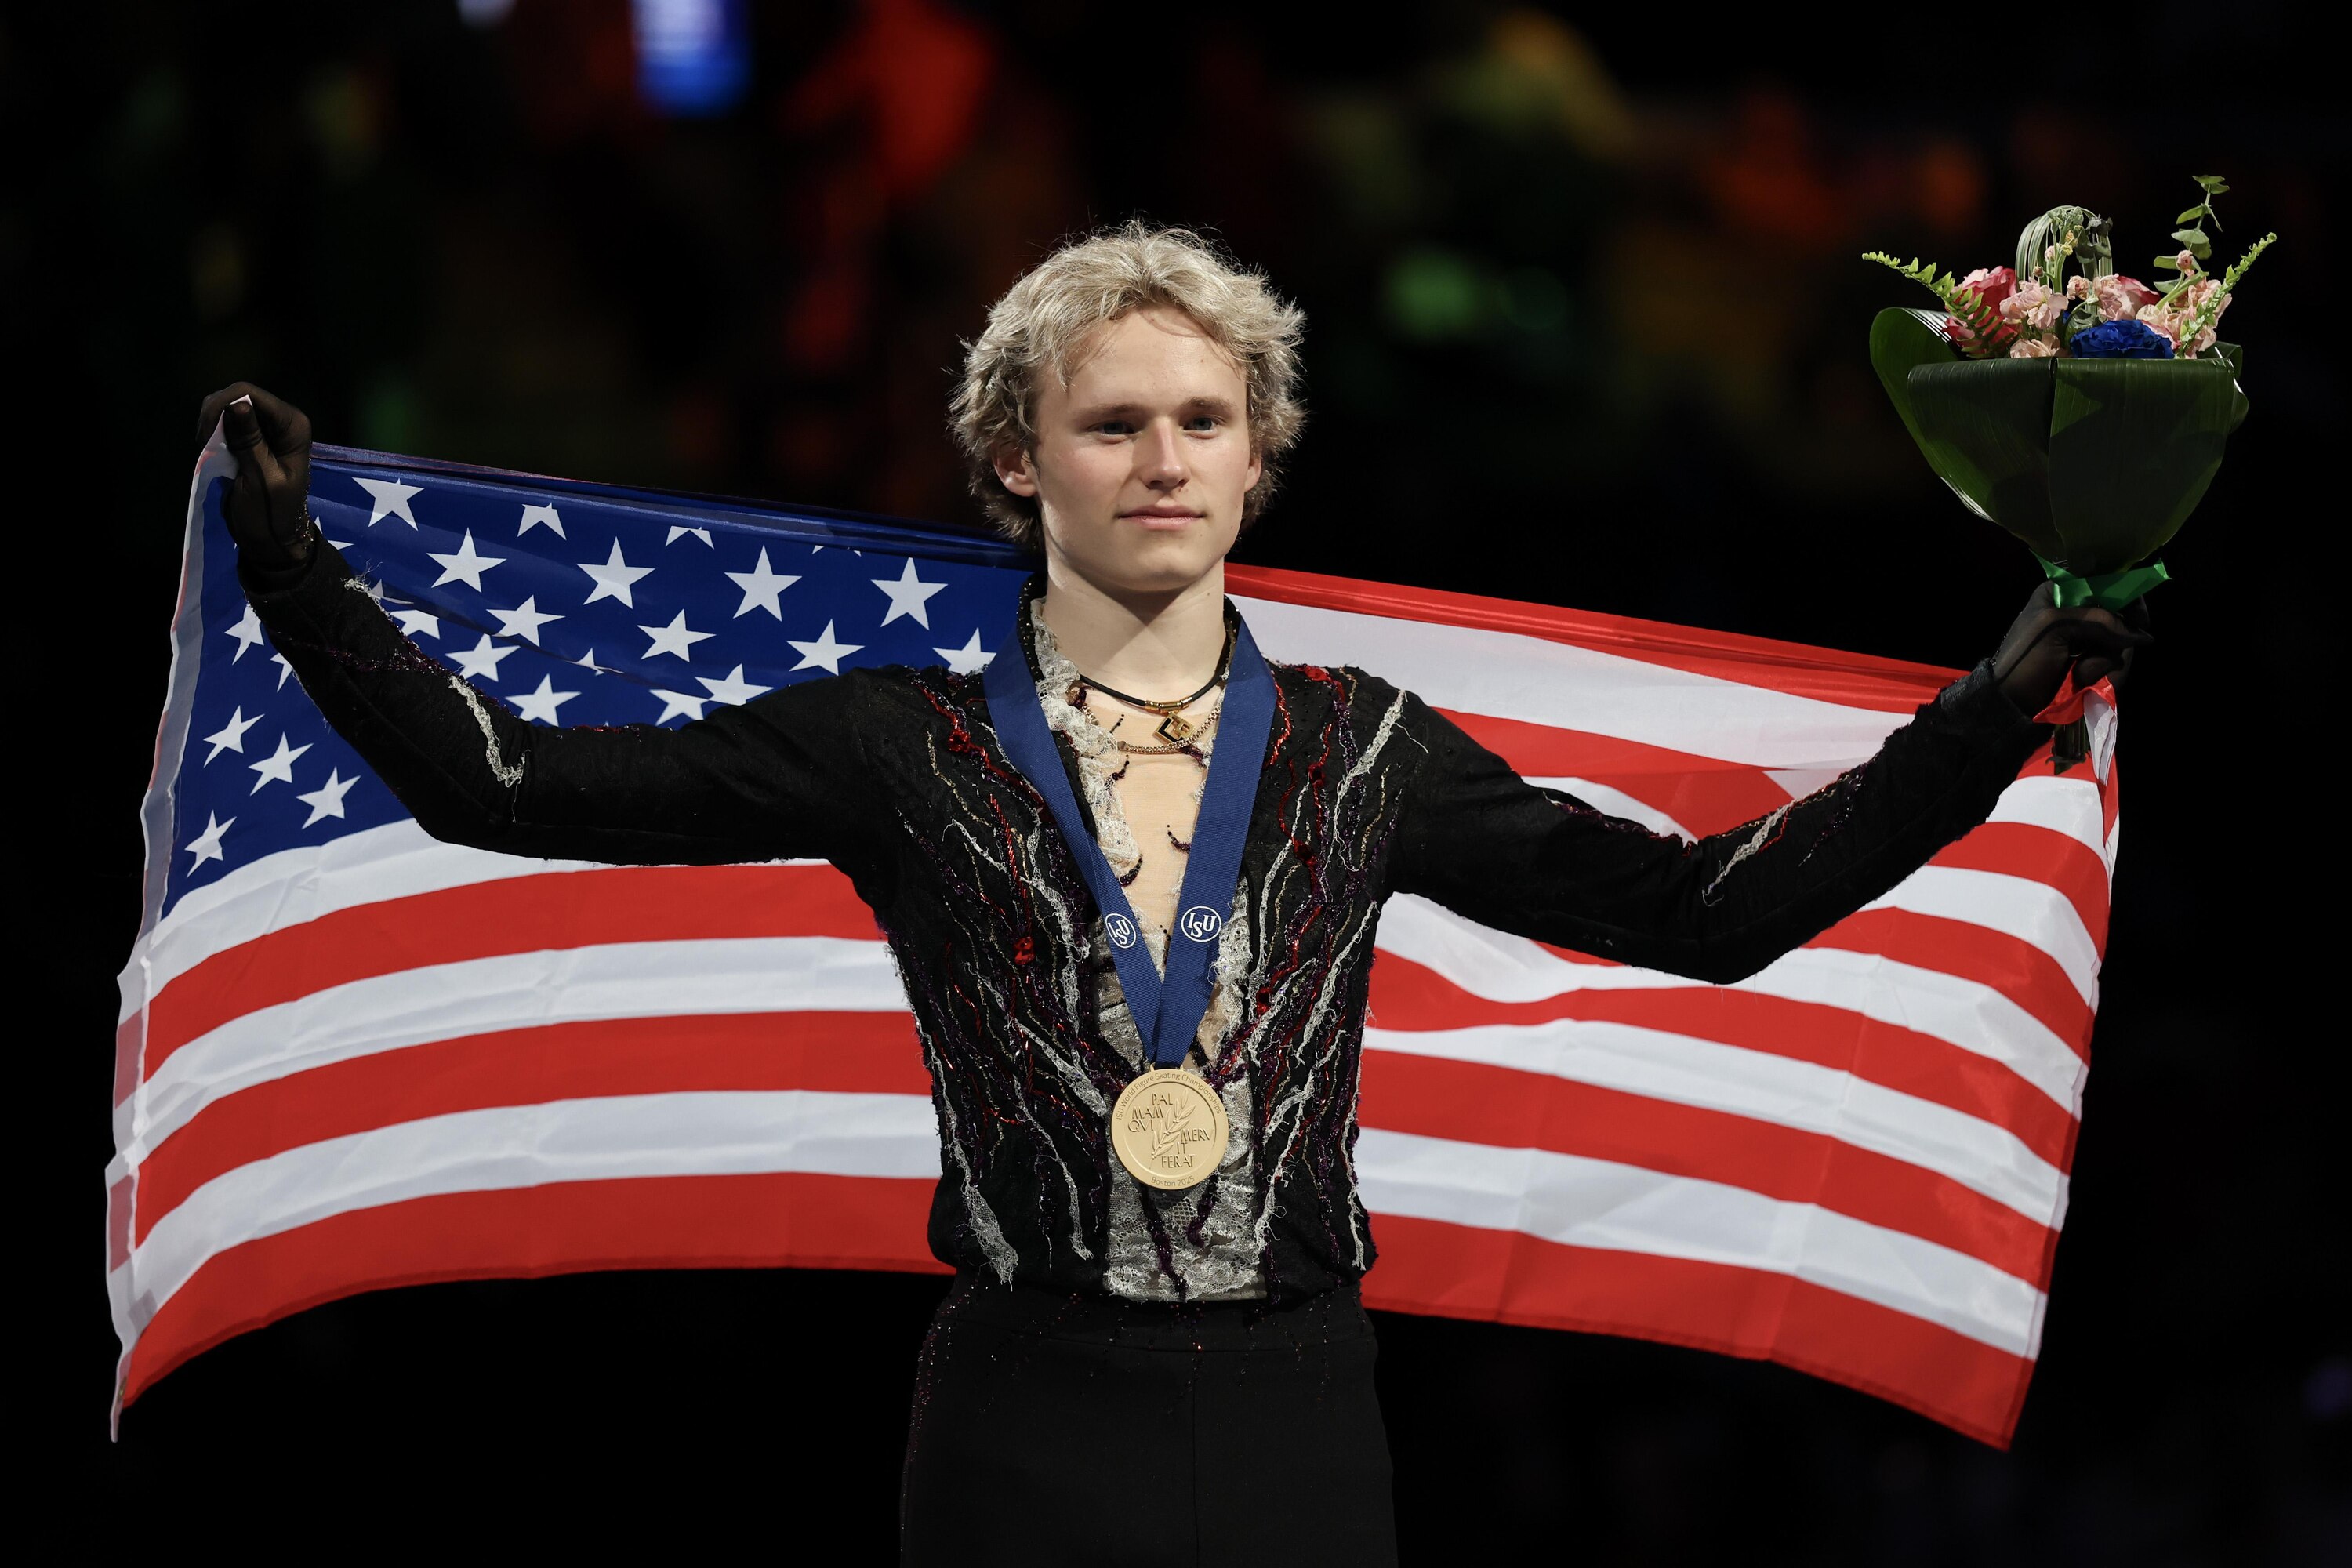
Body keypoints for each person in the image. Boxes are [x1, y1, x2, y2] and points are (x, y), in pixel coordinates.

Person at [202, 223, 2143, 1566]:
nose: (1160, 459)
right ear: (1013, 459)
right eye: (1111, 422)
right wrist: (295, 575)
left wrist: (1983, 717)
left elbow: (1708, 911)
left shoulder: (1364, 751)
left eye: (1201, 422)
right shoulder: (896, 744)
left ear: (1260, 457)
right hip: (1020, 1424)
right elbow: (507, 787)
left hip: (1298, 1421)